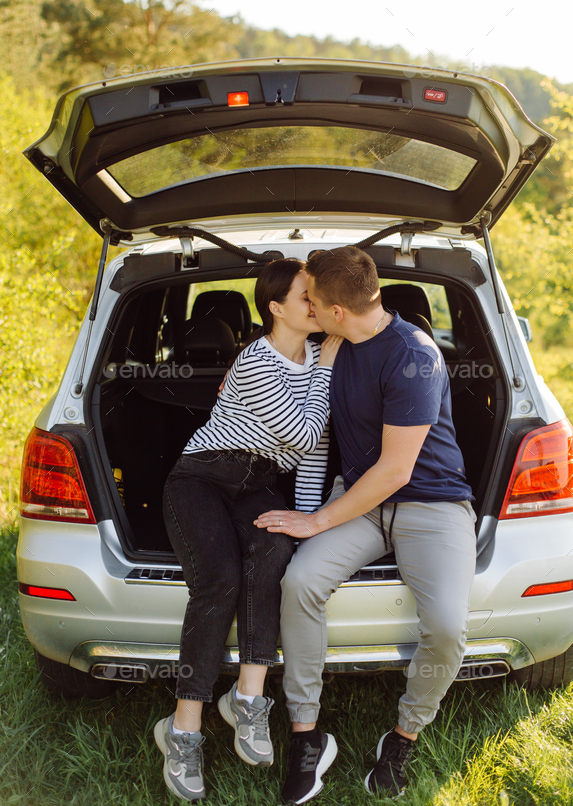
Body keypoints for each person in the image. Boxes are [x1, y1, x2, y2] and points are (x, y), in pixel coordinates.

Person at [255, 246, 476, 804]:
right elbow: (270, 377)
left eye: (312, 300)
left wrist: (318, 521)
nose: (305, 307)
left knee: (448, 628)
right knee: (301, 582)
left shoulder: (413, 356)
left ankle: (402, 736)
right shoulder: (331, 345)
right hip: (362, 504)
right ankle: (307, 735)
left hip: (431, 505)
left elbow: (396, 471)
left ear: (334, 311)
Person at [154, 258, 342, 802]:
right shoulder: (257, 362)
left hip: (259, 483)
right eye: (307, 296)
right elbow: (305, 434)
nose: (317, 303)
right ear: (276, 308)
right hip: (202, 476)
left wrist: (306, 522)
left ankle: (247, 697)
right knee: (219, 579)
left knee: (274, 554)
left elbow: (314, 455)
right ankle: (182, 729)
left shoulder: (315, 356)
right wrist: (326, 371)